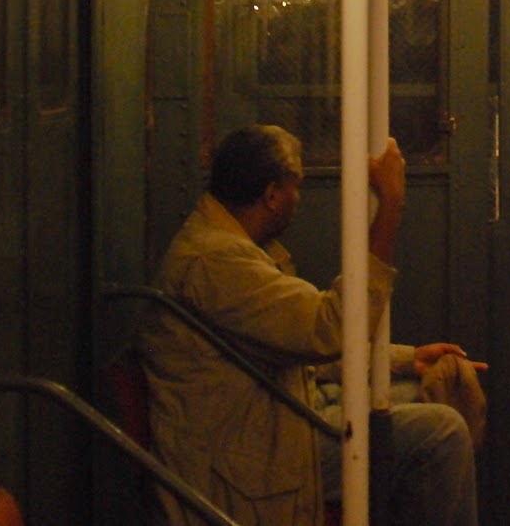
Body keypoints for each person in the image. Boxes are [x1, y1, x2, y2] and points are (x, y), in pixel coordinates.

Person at [140, 124, 480, 526]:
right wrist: (390, 206)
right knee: (441, 433)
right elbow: (330, 329)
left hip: (275, 407)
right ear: (270, 195)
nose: (297, 201)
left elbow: (296, 350)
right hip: (247, 452)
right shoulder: (216, 261)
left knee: (418, 394)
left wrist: (407, 360)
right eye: (294, 188)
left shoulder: (226, 244)